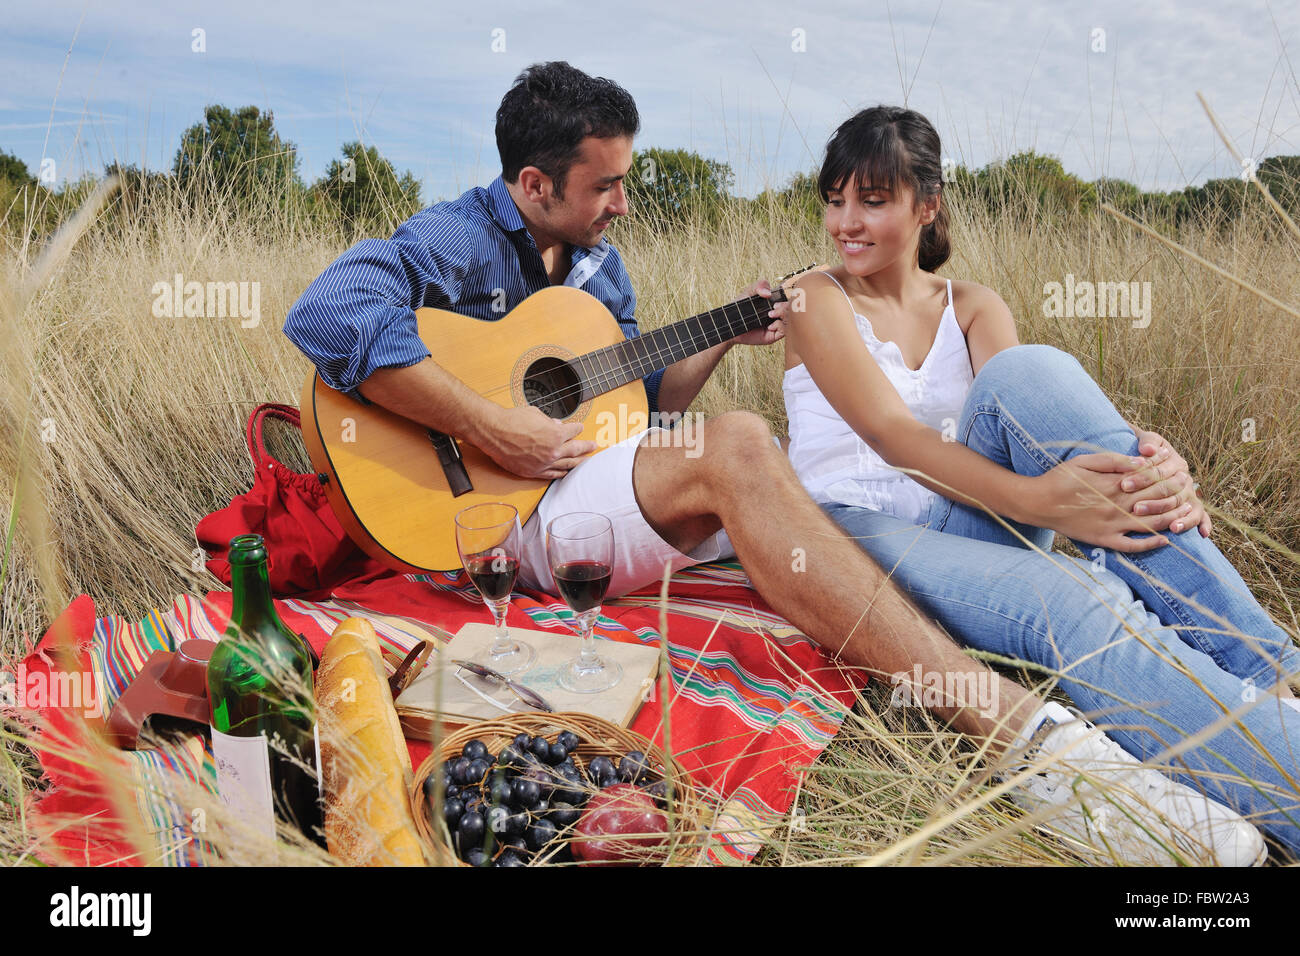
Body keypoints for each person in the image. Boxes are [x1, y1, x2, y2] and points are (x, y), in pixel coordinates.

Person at [283, 62, 1262, 864]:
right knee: (748, 447)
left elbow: (637, 413)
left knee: (732, 448)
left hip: (576, 480)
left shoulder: (600, 271)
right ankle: (1023, 742)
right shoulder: (451, 242)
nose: (624, 202)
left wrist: (706, 343)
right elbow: (327, 314)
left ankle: (1263, 677)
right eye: (604, 184)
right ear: (533, 186)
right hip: (482, 506)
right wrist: (486, 426)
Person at [767, 103, 1300, 860]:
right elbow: (894, 437)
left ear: (927, 205)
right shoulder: (813, 296)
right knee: (1079, 598)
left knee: (1032, 370)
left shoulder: (975, 305)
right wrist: (1045, 505)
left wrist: (1149, 463)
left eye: (873, 200)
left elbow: (1034, 429)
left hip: (964, 520)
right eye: (835, 199)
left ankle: (1270, 674)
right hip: (854, 532)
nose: (845, 221)